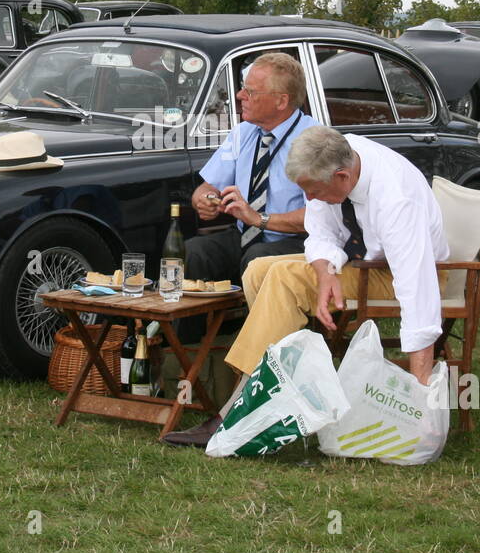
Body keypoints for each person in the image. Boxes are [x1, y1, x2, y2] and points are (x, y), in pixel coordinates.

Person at [164, 126, 448, 449]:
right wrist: (326, 273)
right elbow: (321, 231)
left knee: (285, 278)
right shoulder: (338, 158)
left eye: (313, 191)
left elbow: (418, 291)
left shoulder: (396, 199)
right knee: (258, 270)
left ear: (342, 176)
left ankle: (238, 407)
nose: (309, 199)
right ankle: (277, 389)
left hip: (401, 275)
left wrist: (422, 398)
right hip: (361, 264)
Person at [184, 52, 316, 285]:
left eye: (251, 92)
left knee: (257, 259)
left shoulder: (315, 141)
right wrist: (205, 200)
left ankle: (258, 322)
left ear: (281, 101)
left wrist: (258, 218)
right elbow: (206, 187)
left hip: (298, 240)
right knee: (194, 251)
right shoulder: (243, 132)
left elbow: (319, 217)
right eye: (243, 88)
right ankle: (191, 322)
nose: (239, 95)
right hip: (245, 234)